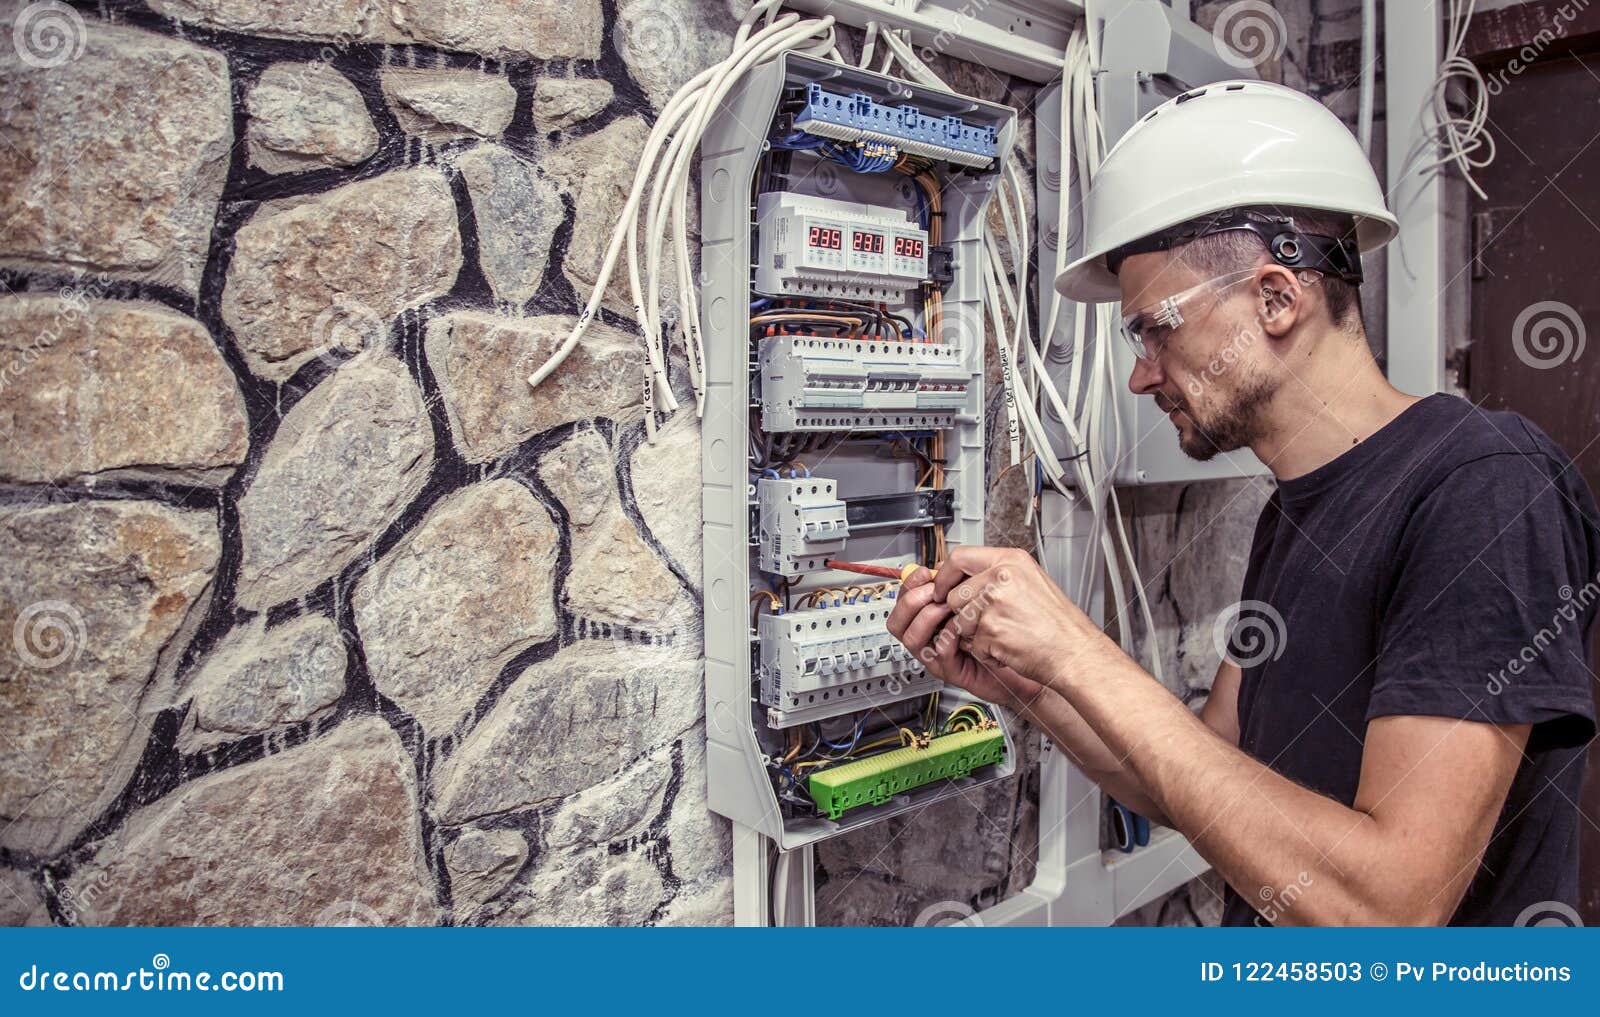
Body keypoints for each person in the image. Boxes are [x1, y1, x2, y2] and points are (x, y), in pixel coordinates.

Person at [887, 81, 1599, 926]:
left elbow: (1389, 913)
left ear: (1275, 297)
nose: (1142, 372)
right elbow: (1204, 765)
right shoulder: (1297, 509)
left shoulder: (1484, 485)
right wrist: (1029, 680)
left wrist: (1079, 651)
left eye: (1155, 328)